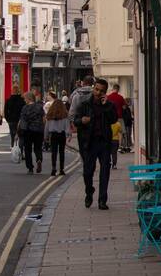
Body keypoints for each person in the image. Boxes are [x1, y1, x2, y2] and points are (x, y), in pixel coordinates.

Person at [78, 79, 117, 210]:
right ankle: (89, 192)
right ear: (93, 88)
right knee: (87, 172)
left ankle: (102, 200)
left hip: (104, 142)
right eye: (97, 89)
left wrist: (106, 106)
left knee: (105, 171)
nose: (98, 92)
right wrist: (81, 120)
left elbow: (114, 119)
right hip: (90, 142)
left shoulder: (108, 104)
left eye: (101, 91)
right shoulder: (84, 104)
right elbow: (75, 119)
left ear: (105, 92)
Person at [18, 91, 45, 174]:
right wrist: (43, 128)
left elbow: (22, 121)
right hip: (38, 130)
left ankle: (30, 168)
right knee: (38, 147)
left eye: (25, 98)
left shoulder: (25, 108)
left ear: (29, 98)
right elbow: (44, 119)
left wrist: (19, 132)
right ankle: (39, 159)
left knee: (28, 150)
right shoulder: (40, 107)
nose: (24, 100)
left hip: (28, 131)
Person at [68, 78, 95, 158]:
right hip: (94, 126)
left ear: (83, 83)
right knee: (93, 149)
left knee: (83, 149)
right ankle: (90, 165)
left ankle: (86, 165)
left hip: (81, 126)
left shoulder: (76, 95)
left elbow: (71, 113)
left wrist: (73, 124)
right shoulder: (96, 94)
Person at [45, 97, 70, 176]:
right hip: (62, 135)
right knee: (61, 152)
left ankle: (53, 168)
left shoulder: (50, 115)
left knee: (54, 152)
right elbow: (67, 127)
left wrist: (46, 136)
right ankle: (61, 169)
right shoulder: (64, 116)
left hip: (53, 135)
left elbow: (47, 127)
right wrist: (68, 135)